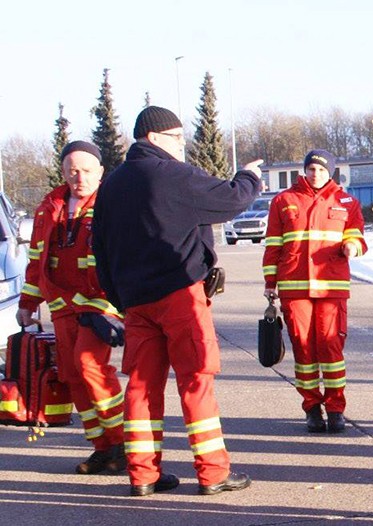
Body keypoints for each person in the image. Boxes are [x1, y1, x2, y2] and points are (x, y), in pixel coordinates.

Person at [92, 106, 261, 497]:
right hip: (179, 294)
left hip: (135, 302)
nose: (182, 147)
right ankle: (213, 472)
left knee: (141, 386)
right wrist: (249, 175)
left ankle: (143, 475)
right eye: (178, 139)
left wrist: (121, 300)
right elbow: (231, 200)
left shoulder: (112, 186)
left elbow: (99, 249)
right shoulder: (170, 175)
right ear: (154, 137)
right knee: (196, 379)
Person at [16, 141, 126, 475]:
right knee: (73, 376)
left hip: (100, 302)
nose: (79, 177)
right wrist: (27, 303)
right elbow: (37, 261)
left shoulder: (112, 204)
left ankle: (123, 442)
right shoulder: (49, 207)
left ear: (101, 172)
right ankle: (102, 447)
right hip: (62, 304)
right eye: (72, 170)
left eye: (87, 170)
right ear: (63, 172)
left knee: (88, 365)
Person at [262, 149, 366, 434]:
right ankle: (312, 409)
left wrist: (352, 246)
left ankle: (335, 410)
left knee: (331, 348)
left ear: (330, 172)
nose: (315, 174)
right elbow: (273, 246)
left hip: (331, 287)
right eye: (311, 169)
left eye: (321, 170)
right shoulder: (283, 201)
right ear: (304, 170)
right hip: (295, 288)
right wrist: (270, 284)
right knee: (304, 349)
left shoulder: (346, 201)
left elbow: (357, 233)